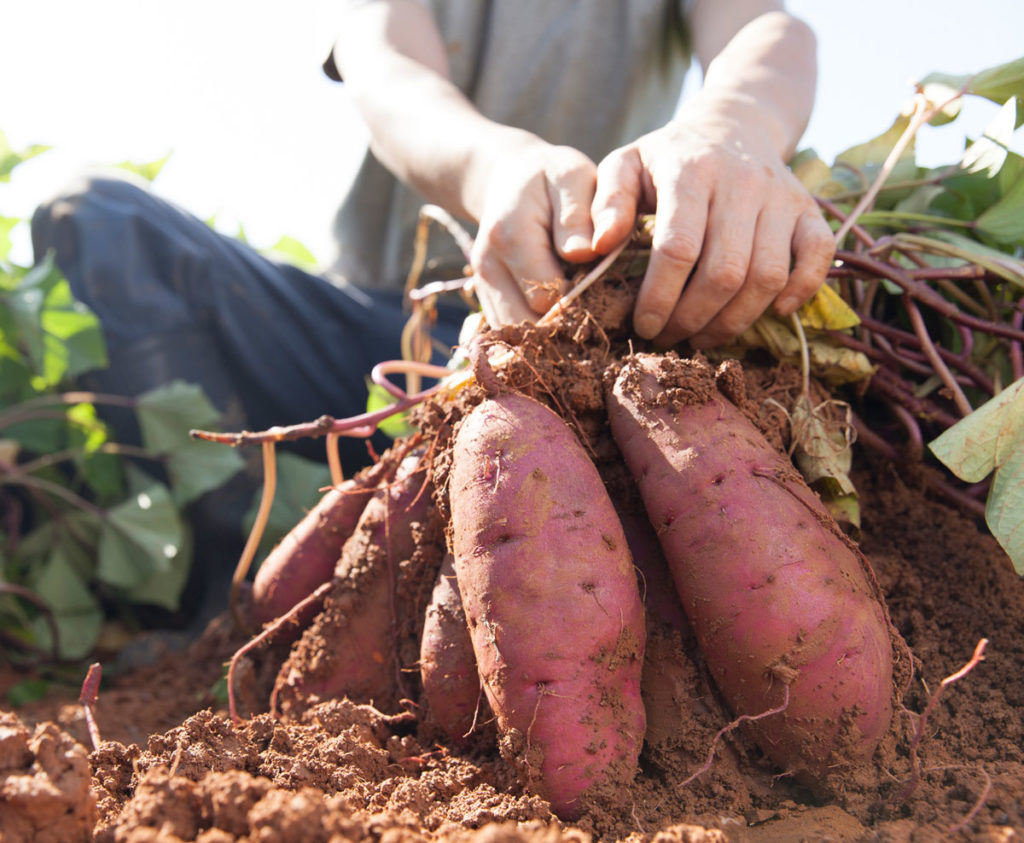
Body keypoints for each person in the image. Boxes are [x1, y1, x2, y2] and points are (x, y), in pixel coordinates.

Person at [30, 0, 832, 602]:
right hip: (381, 335)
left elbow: (767, 31)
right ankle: (222, 583)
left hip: (561, 345)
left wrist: (733, 127)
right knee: (93, 213)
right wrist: (495, 169)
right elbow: (386, 70)